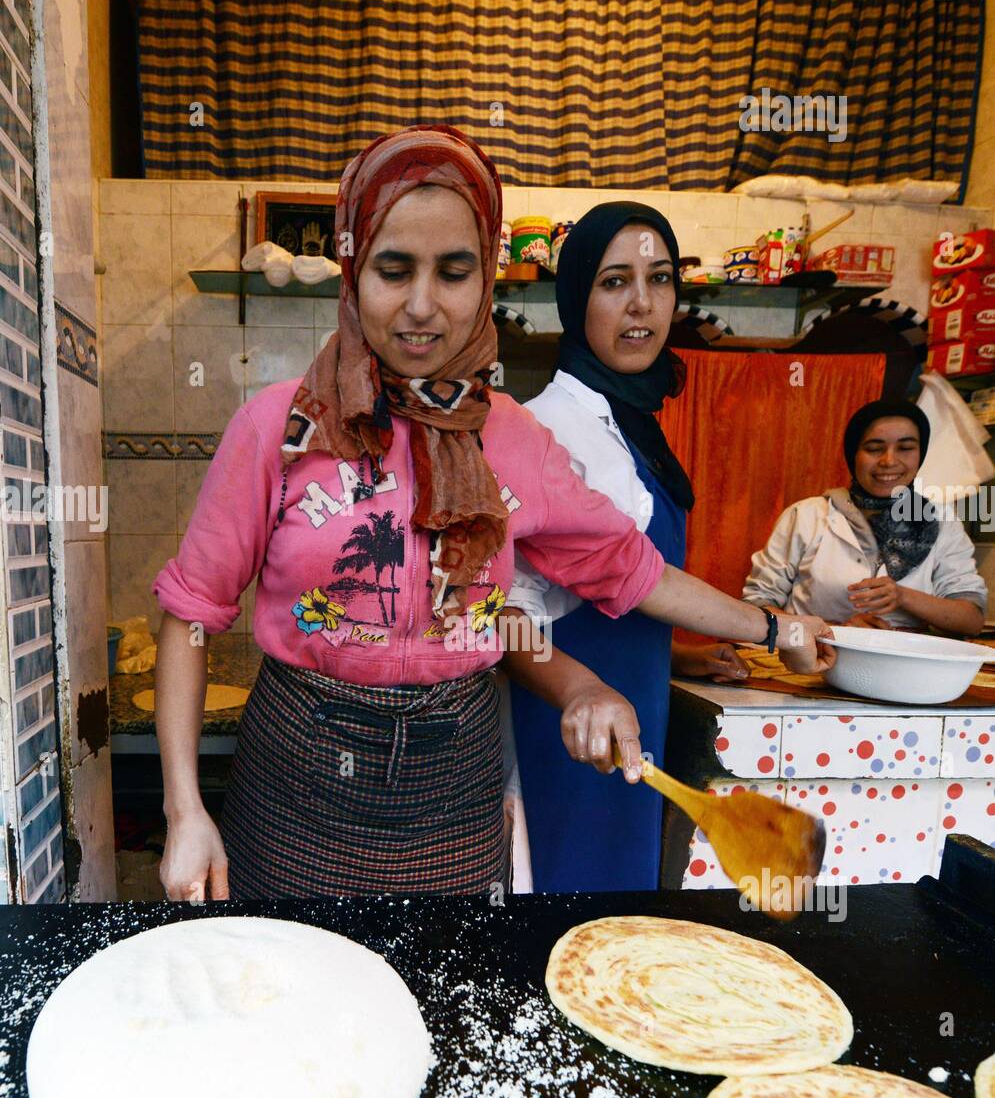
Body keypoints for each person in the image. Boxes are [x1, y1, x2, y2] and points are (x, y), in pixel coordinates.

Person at [152, 125, 832, 903]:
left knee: (450, 1004)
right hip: (298, 788)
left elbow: (632, 572)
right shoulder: (278, 426)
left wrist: (774, 629)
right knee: (298, 998)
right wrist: (184, 811)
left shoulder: (514, 438)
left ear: (487, 281)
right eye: (393, 269)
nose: (420, 305)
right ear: (353, 271)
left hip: (456, 797)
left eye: (453, 272)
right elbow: (189, 613)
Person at [499, 202, 746, 894]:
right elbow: (505, 620)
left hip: (636, 721)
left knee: (618, 922)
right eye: (613, 282)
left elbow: (607, 593)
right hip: (572, 739)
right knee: (570, 923)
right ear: (576, 298)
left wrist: (680, 650)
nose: (641, 303)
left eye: (659, 277)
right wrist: (583, 688)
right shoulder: (547, 429)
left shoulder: (630, 422)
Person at [743, 398, 987, 634]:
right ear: (853, 455)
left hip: (901, 667)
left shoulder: (941, 521)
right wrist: (833, 633)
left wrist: (902, 596)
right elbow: (756, 605)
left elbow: (971, 619)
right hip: (809, 661)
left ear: (920, 454)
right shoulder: (807, 515)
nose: (889, 461)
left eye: (905, 448)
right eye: (874, 448)